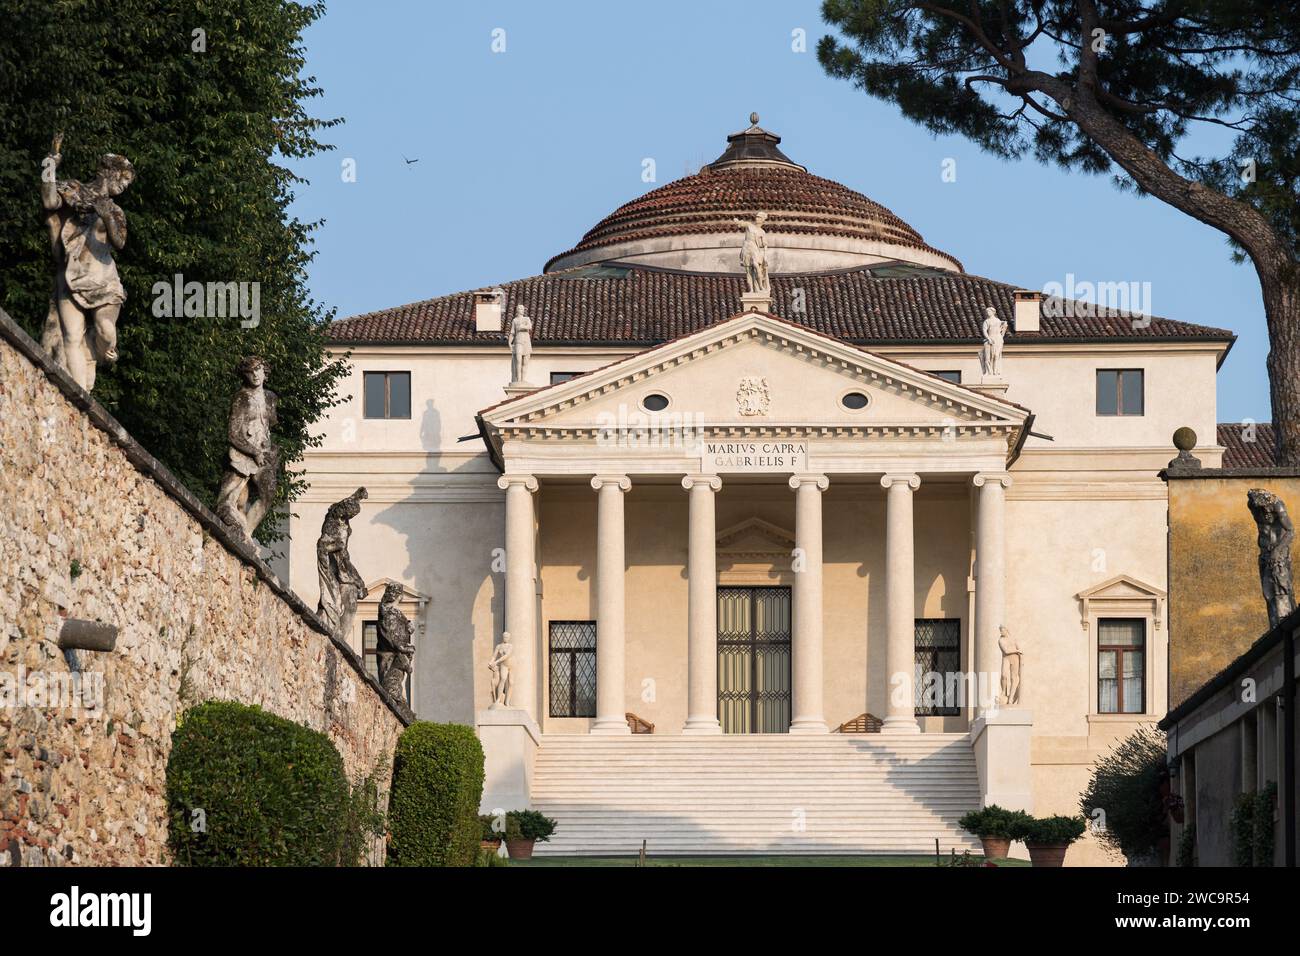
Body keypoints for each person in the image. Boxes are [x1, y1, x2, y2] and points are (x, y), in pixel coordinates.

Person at [41, 135, 134, 390]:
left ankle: (101, 350)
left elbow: (120, 242)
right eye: (122, 179)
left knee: (106, 329)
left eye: (127, 183)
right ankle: (81, 397)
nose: (124, 186)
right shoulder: (75, 190)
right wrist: (49, 165)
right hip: (71, 275)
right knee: (71, 337)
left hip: (104, 280)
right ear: (108, 172)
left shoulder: (115, 211)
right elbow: (49, 201)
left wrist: (107, 215)